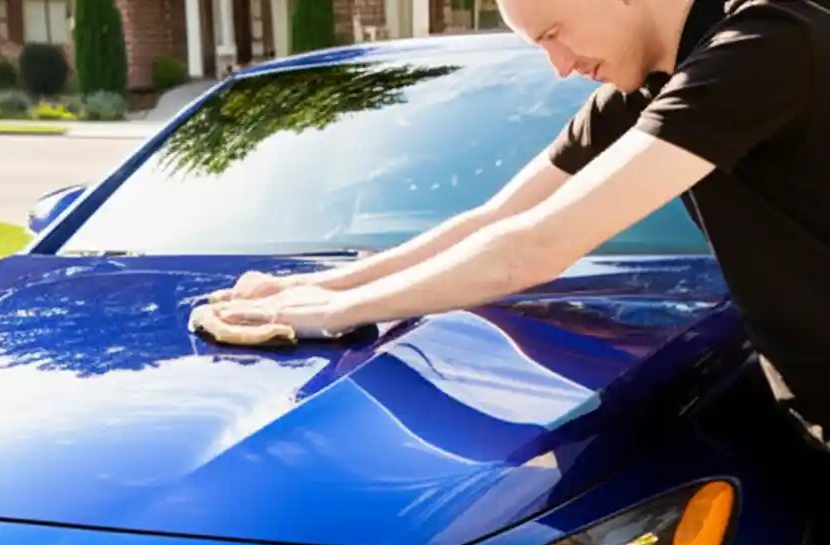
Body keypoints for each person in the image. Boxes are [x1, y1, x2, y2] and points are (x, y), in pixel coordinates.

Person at [205, 0, 830, 448]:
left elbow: (533, 248)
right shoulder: (648, 86)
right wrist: (311, 291)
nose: (559, 66)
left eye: (555, 32)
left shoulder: (765, 43)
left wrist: (324, 317)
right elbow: (500, 217)